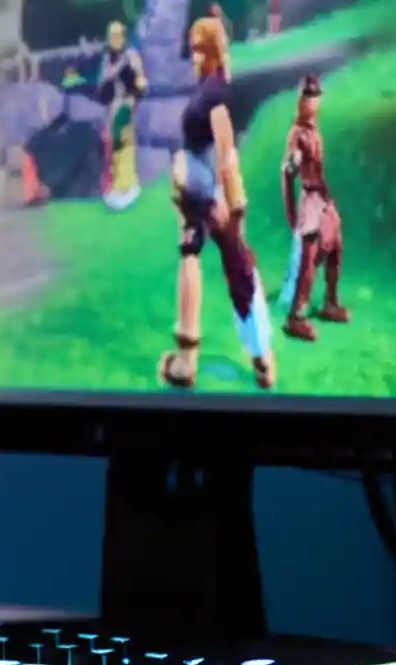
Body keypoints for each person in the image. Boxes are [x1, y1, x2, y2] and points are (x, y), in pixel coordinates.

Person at [159, 9, 275, 389]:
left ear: (210, 51)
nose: (192, 57)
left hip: (209, 195)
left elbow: (225, 152)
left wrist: (234, 201)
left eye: (197, 49)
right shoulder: (211, 90)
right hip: (198, 192)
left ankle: (259, 358)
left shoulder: (215, 95)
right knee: (200, 256)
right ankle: (190, 361)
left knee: (237, 267)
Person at [279, 75, 349, 341]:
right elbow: (288, 170)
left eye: (315, 96)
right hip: (309, 200)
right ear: (300, 101)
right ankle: (295, 317)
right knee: (308, 260)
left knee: (336, 247)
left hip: (322, 197)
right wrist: (291, 212)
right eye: (307, 97)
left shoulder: (313, 130)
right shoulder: (297, 134)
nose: (311, 102)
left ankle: (330, 302)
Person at [98, 21, 148, 210]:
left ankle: (127, 185)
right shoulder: (107, 59)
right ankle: (116, 186)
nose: (115, 39)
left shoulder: (130, 55)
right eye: (112, 35)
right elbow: (103, 83)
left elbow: (141, 81)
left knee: (124, 145)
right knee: (113, 147)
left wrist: (134, 94)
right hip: (112, 107)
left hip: (126, 105)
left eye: (118, 35)